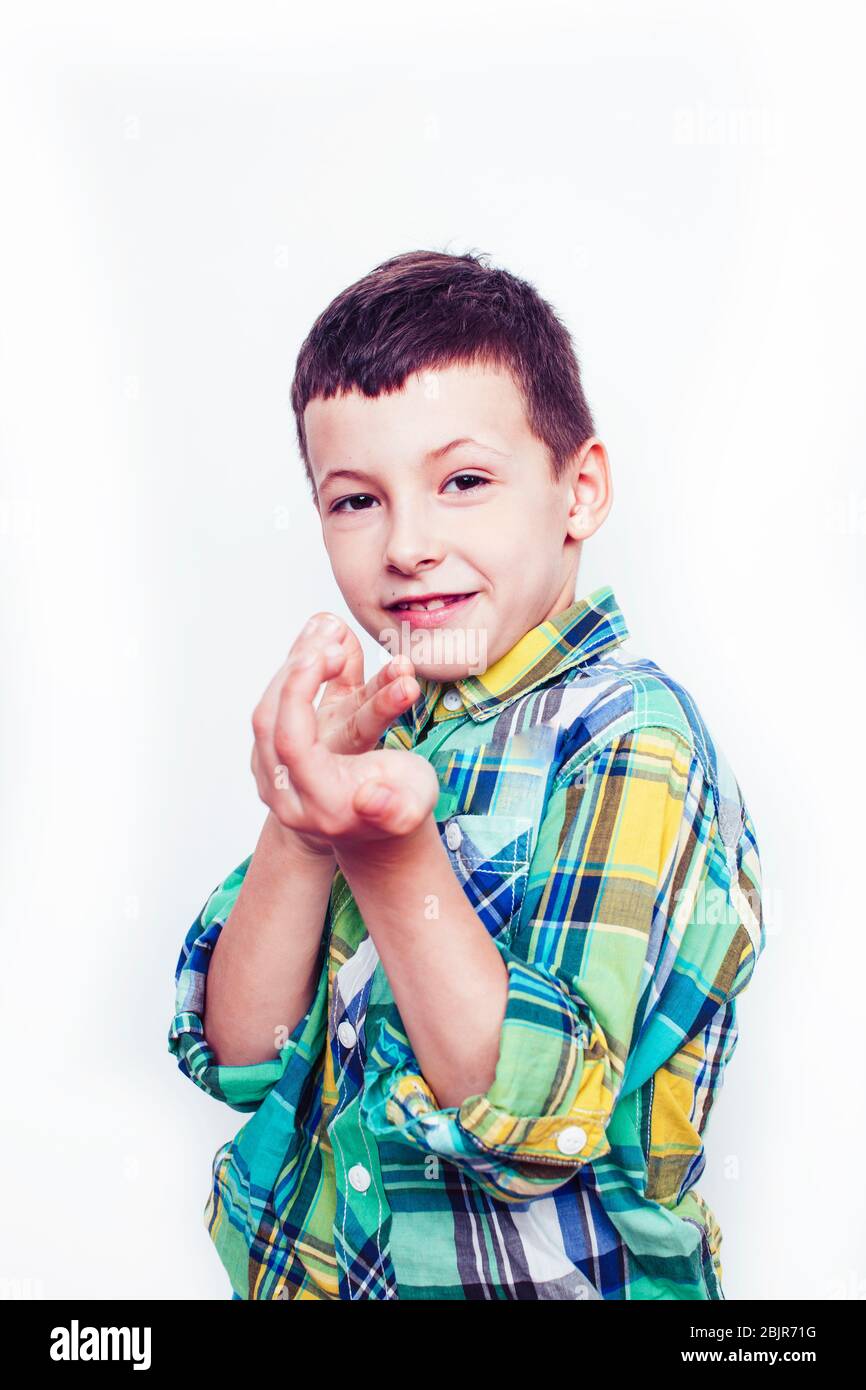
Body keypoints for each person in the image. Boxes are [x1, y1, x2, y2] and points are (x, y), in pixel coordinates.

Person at [167, 248, 765, 1300]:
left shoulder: (630, 738)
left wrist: (388, 855)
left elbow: (532, 1127)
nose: (407, 544)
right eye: (354, 501)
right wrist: (301, 830)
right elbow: (244, 1055)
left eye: (463, 482)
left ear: (576, 492)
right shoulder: (388, 721)